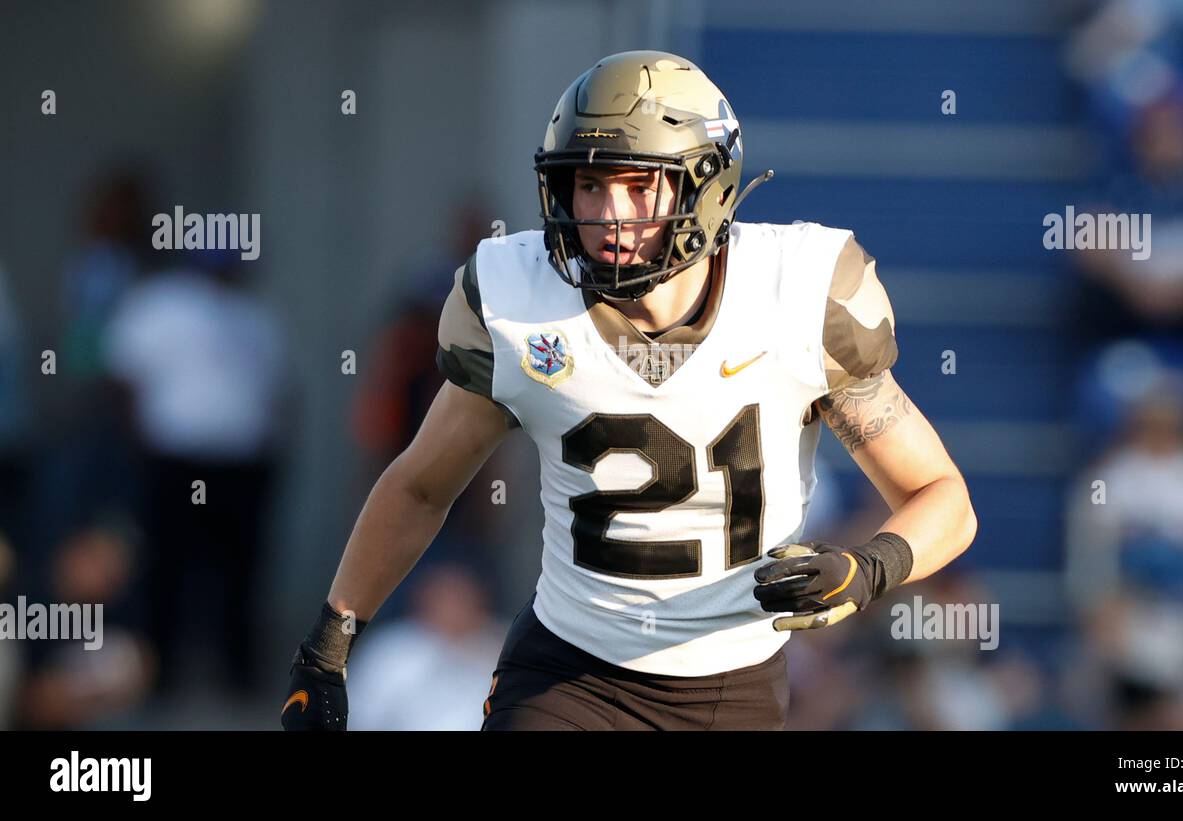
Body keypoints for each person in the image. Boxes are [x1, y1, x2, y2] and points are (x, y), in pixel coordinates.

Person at [281, 51, 977, 731]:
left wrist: (866, 569)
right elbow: (420, 486)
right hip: (568, 672)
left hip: (731, 690)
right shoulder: (519, 304)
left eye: (638, 186)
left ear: (705, 187)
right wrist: (328, 646)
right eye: (588, 185)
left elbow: (942, 496)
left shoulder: (796, 299)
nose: (608, 216)